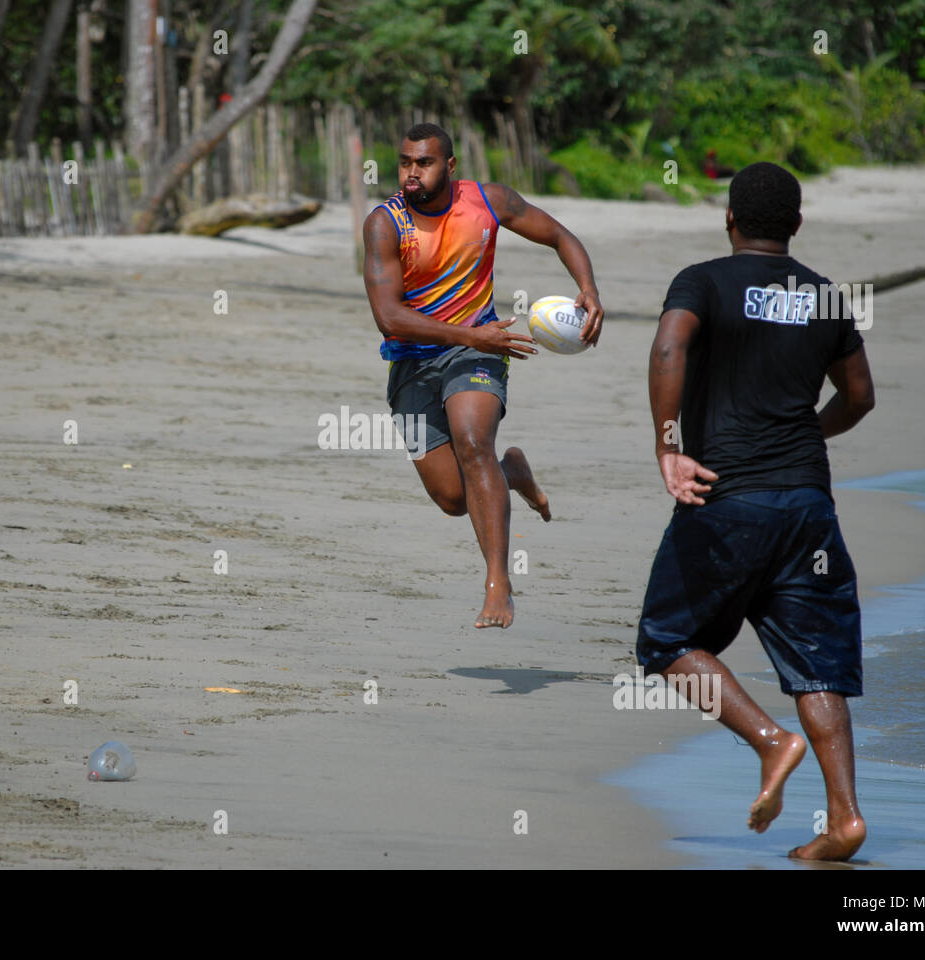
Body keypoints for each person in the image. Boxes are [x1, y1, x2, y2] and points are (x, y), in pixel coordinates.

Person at [637, 161, 875, 860]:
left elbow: (668, 344)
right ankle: (845, 821)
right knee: (818, 666)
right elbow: (859, 397)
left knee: (666, 640)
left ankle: (771, 742)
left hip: (728, 498)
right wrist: (804, 435)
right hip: (809, 507)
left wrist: (669, 445)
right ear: (796, 226)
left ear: (730, 219)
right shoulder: (827, 297)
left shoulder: (703, 279)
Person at [362, 123, 604, 629]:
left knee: (473, 442)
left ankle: (498, 582)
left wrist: (588, 289)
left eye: (423, 163)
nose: (411, 172)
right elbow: (389, 317)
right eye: (405, 162)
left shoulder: (488, 201)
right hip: (414, 361)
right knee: (453, 499)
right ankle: (510, 471)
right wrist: (475, 337)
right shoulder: (385, 224)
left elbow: (559, 235)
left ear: (449, 167)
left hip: (478, 353)